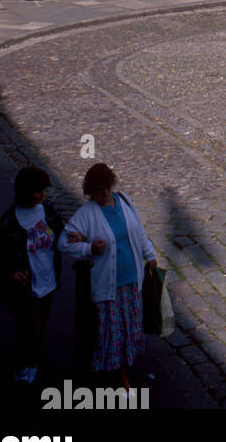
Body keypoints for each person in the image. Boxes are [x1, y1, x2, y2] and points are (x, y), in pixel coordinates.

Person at [58, 164, 158, 388]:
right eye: (98, 189)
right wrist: (88, 248)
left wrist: (149, 254)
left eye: (107, 188)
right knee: (113, 331)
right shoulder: (87, 214)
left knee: (130, 325)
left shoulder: (124, 201)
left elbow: (137, 231)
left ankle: (124, 365)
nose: (104, 193)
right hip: (108, 285)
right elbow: (63, 244)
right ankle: (121, 377)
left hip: (132, 279)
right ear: (90, 191)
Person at [0, 166, 66, 384]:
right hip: (26, 288)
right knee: (30, 327)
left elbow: (61, 234)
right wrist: (9, 273)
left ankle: (31, 362)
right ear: (25, 191)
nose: (42, 195)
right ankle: (27, 365)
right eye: (38, 191)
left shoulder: (47, 209)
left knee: (39, 326)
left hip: (48, 281)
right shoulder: (9, 221)